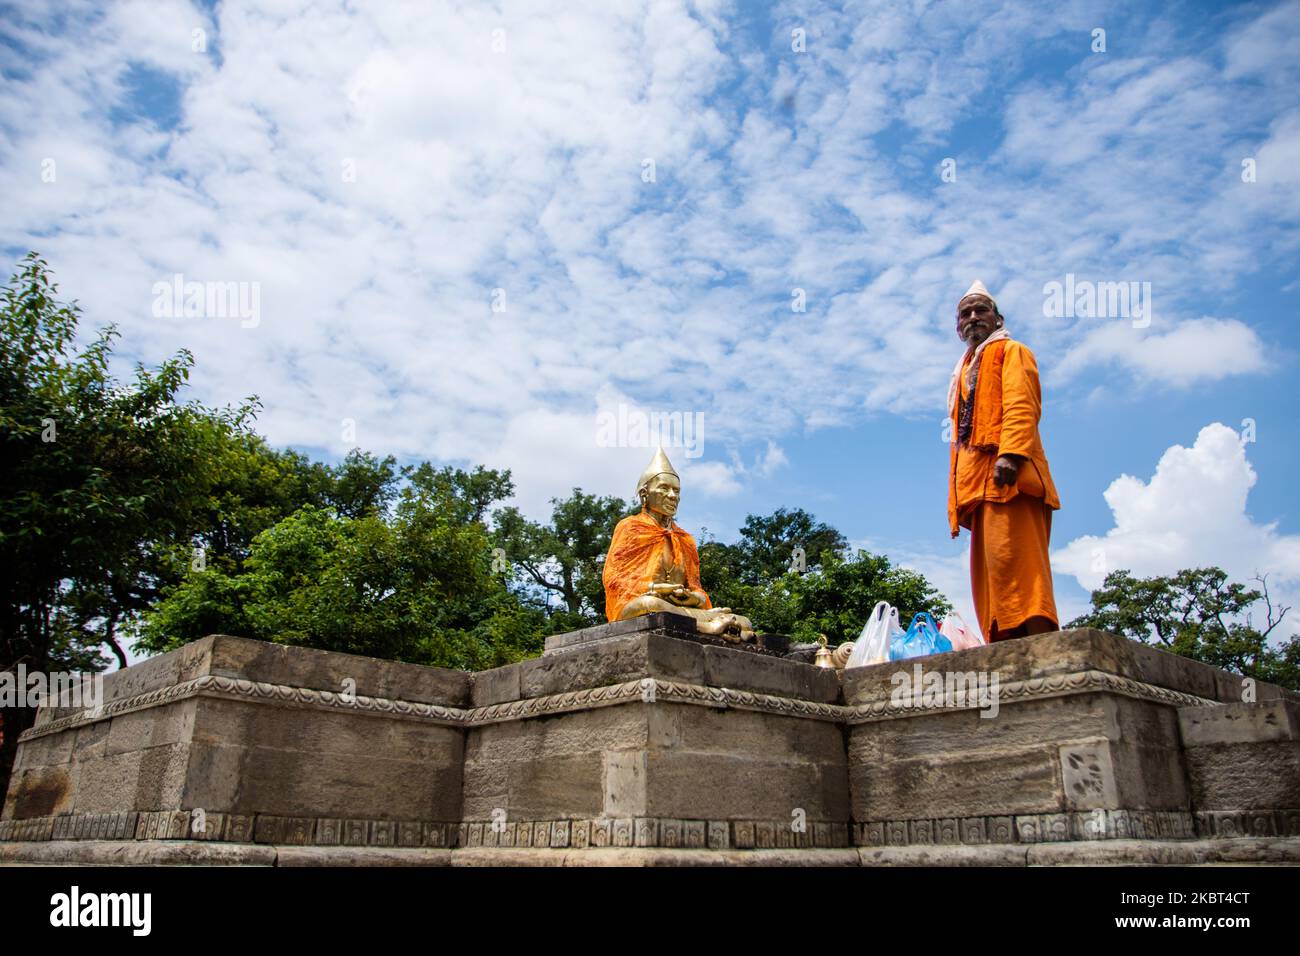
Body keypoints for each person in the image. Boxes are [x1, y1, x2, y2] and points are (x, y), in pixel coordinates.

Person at [946, 280, 1061, 642]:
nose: (973, 317)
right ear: (958, 326)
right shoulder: (962, 369)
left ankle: (1044, 647)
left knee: (1022, 570)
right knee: (993, 577)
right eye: (966, 313)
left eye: (981, 310)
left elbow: (1022, 405)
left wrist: (1010, 455)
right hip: (976, 488)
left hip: (1009, 479)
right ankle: (1009, 651)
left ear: (999, 318)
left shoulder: (1012, 351)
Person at [603, 447, 755, 642]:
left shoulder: (684, 539)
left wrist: (694, 598)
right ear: (644, 494)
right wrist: (656, 589)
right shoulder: (630, 528)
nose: (673, 496)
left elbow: (696, 588)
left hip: (678, 610)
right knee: (649, 604)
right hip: (642, 605)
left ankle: (718, 625)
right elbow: (614, 581)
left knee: (744, 621)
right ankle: (708, 629)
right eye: (664, 488)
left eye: (676, 490)